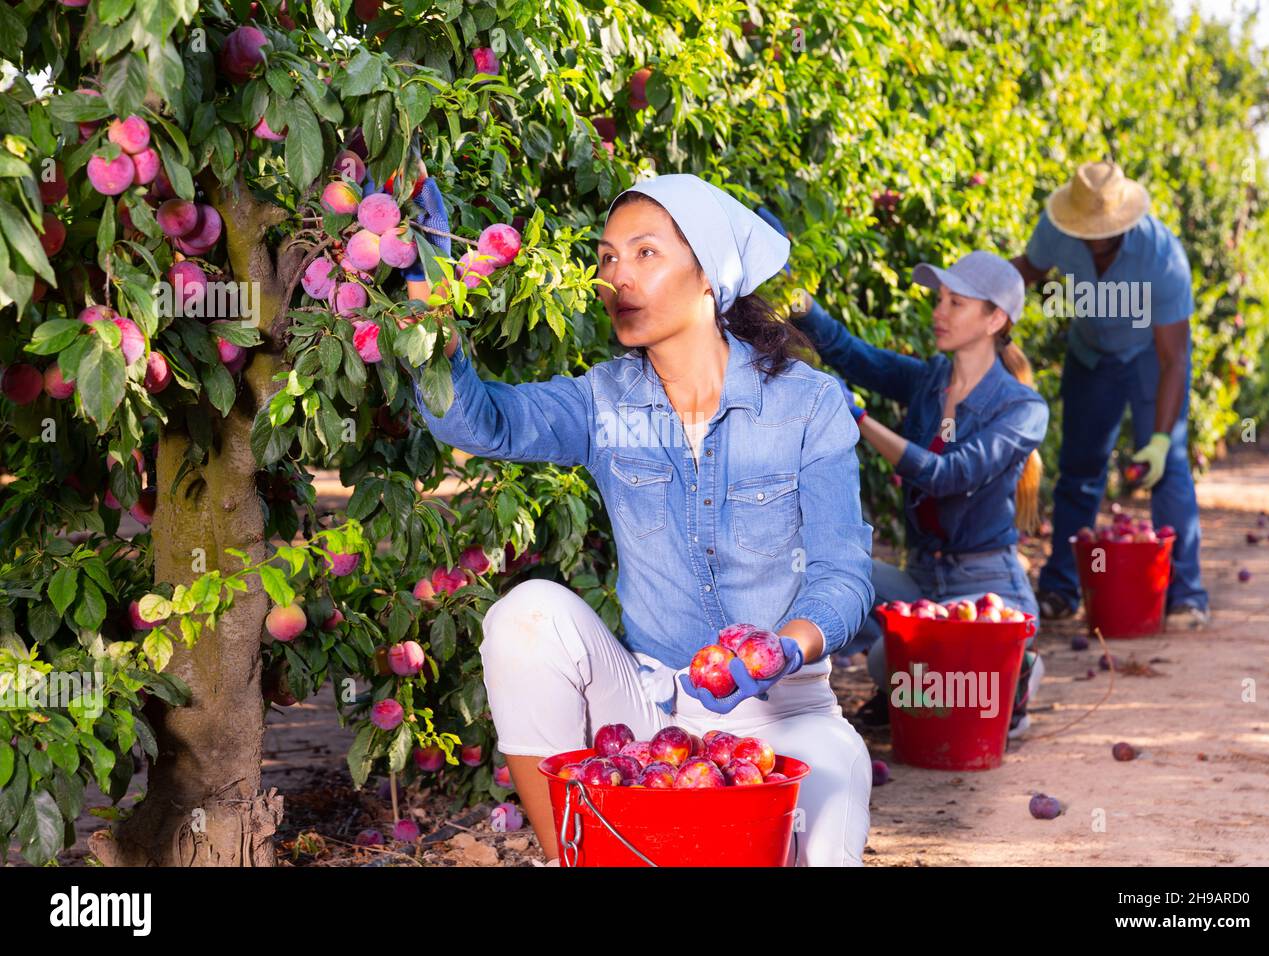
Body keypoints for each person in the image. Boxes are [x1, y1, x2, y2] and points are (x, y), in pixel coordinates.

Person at [403, 174, 875, 866]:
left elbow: (842, 576)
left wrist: (783, 649)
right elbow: (477, 420)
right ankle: (574, 855)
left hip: (789, 715)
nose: (617, 276)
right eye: (607, 257)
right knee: (525, 617)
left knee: (829, 822)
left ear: (708, 275)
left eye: (645, 253)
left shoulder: (808, 405)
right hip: (652, 709)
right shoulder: (605, 400)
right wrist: (431, 290)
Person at [759, 212, 1047, 736]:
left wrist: (862, 420)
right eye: (939, 299)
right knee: (812, 572)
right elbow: (850, 352)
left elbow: (946, 475)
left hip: (984, 585)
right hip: (921, 581)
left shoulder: (1022, 408)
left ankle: (1012, 671)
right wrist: (787, 282)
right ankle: (952, 682)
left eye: (955, 303)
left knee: (887, 662)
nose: (939, 312)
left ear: (994, 320)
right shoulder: (930, 380)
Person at [1009, 160, 1209, 628]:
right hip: (1091, 355)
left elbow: (1173, 358)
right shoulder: (1057, 228)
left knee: (1169, 468)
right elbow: (1030, 269)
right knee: (1079, 473)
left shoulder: (1162, 255)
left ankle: (1185, 594)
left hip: (1146, 357)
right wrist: (980, 293)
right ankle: (1062, 588)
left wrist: (1160, 439)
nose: (1094, 237)